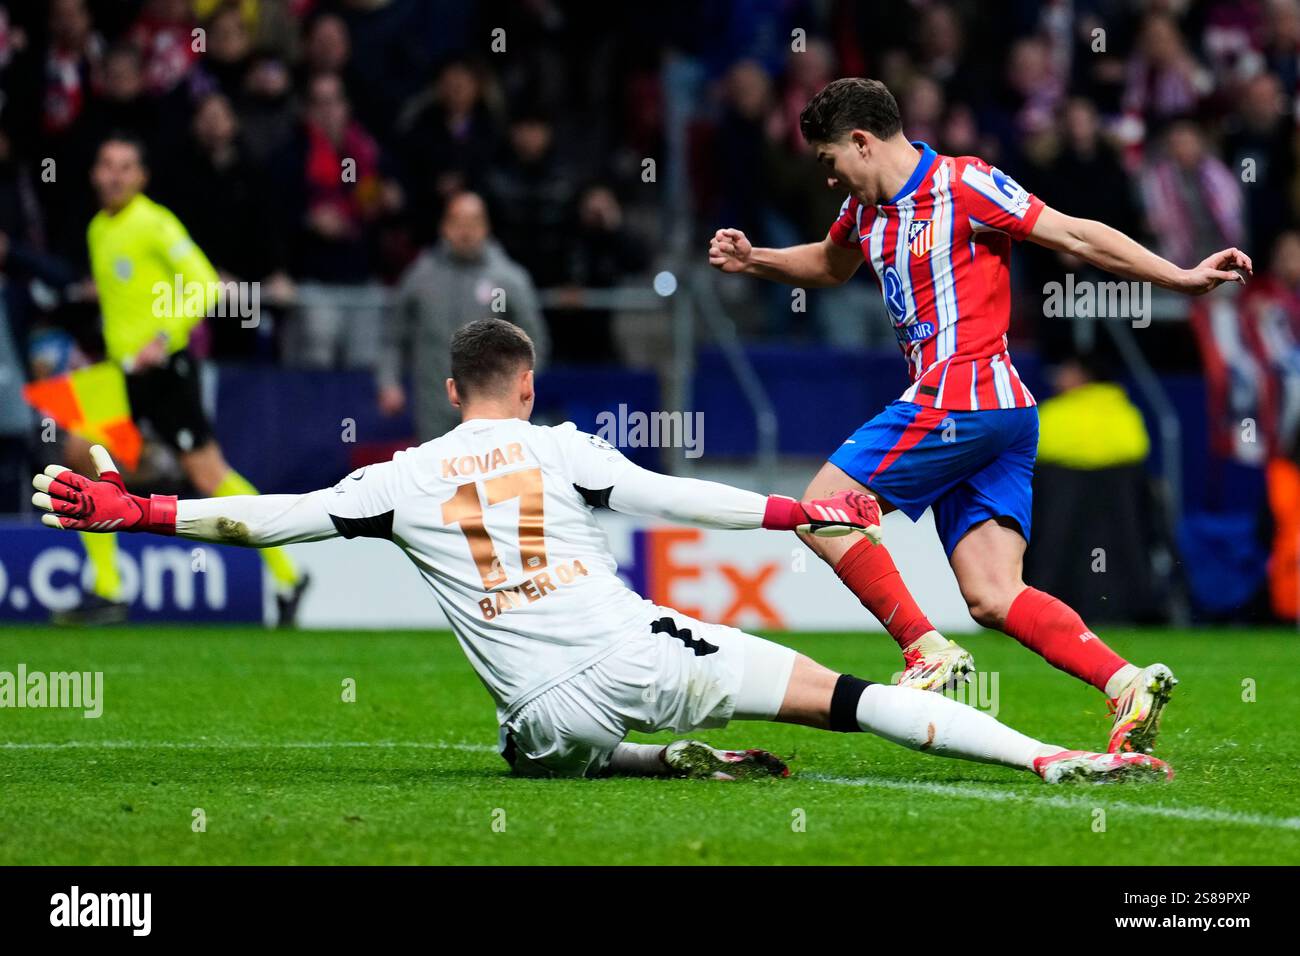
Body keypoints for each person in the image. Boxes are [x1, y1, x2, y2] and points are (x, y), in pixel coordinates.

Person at [31, 318, 1171, 785]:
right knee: (853, 698)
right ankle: (1049, 759)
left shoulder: (400, 475)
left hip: (541, 708)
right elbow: (678, 496)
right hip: (641, 652)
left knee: (526, 748)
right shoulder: (564, 443)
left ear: (447, 392)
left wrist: (134, 512)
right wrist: (791, 516)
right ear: (525, 386)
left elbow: (266, 514)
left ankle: (659, 761)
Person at [708, 77, 1253, 754]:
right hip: (999, 414)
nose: (830, 181)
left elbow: (1074, 235)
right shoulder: (864, 210)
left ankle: (925, 650)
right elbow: (828, 265)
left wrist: (1180, 278)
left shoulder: (966, 184)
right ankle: (1126, 682)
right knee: (993, 595)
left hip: (962, 391)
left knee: (823, 507)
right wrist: (753, 258)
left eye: (830, 163)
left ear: (861, 141)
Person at [59, 133, 306, 625]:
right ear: (94, 173)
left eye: (125, 167)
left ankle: (288, 575)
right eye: (107, 165)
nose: (114, 175)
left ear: (142, 177)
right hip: (118, 372)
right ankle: (107, 589)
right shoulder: (97, 229)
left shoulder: (153, 222)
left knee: (208, 475)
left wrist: (164, 336)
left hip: (166, 369)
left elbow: (204, 284)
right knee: (77, 454)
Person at [376, 191, 548, 441]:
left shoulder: (508, 279)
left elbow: (534, 341)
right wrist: (388, 382)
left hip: (493, 409)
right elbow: (392, 336)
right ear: (444, 226)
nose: (465, 231)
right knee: (438, 477)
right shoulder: (420, 277)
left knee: (492, 479)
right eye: (458, 222)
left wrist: (518, 389)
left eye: (474, 223)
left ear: (486, 227)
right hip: (433, 406)